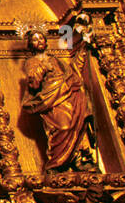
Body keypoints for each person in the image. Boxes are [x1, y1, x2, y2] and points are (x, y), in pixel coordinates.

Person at [21, 30, 95, 171]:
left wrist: (84, 46)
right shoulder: (31, 62)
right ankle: (57, 162)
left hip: (69, 95)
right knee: (63, 127)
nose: (40, 41)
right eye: (35, 40)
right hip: (51, 99)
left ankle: (80, 158)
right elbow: (34, 84)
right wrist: (42, 68)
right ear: (31, 45)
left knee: (77, 125)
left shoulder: (55, 59)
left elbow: (71, 72)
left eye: (41, 38)